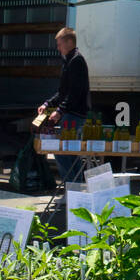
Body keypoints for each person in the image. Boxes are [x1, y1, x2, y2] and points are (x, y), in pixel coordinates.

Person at [38, 27, 90, 186]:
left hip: (75, 114)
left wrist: (59, 111)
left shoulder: (76, 61)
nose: (58, 48)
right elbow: (62, 92)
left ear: (69, 42)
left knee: (63, 152)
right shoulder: (69, 60)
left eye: (60, 44)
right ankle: (74, 187)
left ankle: (72, 187)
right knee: (68, 152)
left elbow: (75, 92)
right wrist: (47, 104)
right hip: (71, 113)